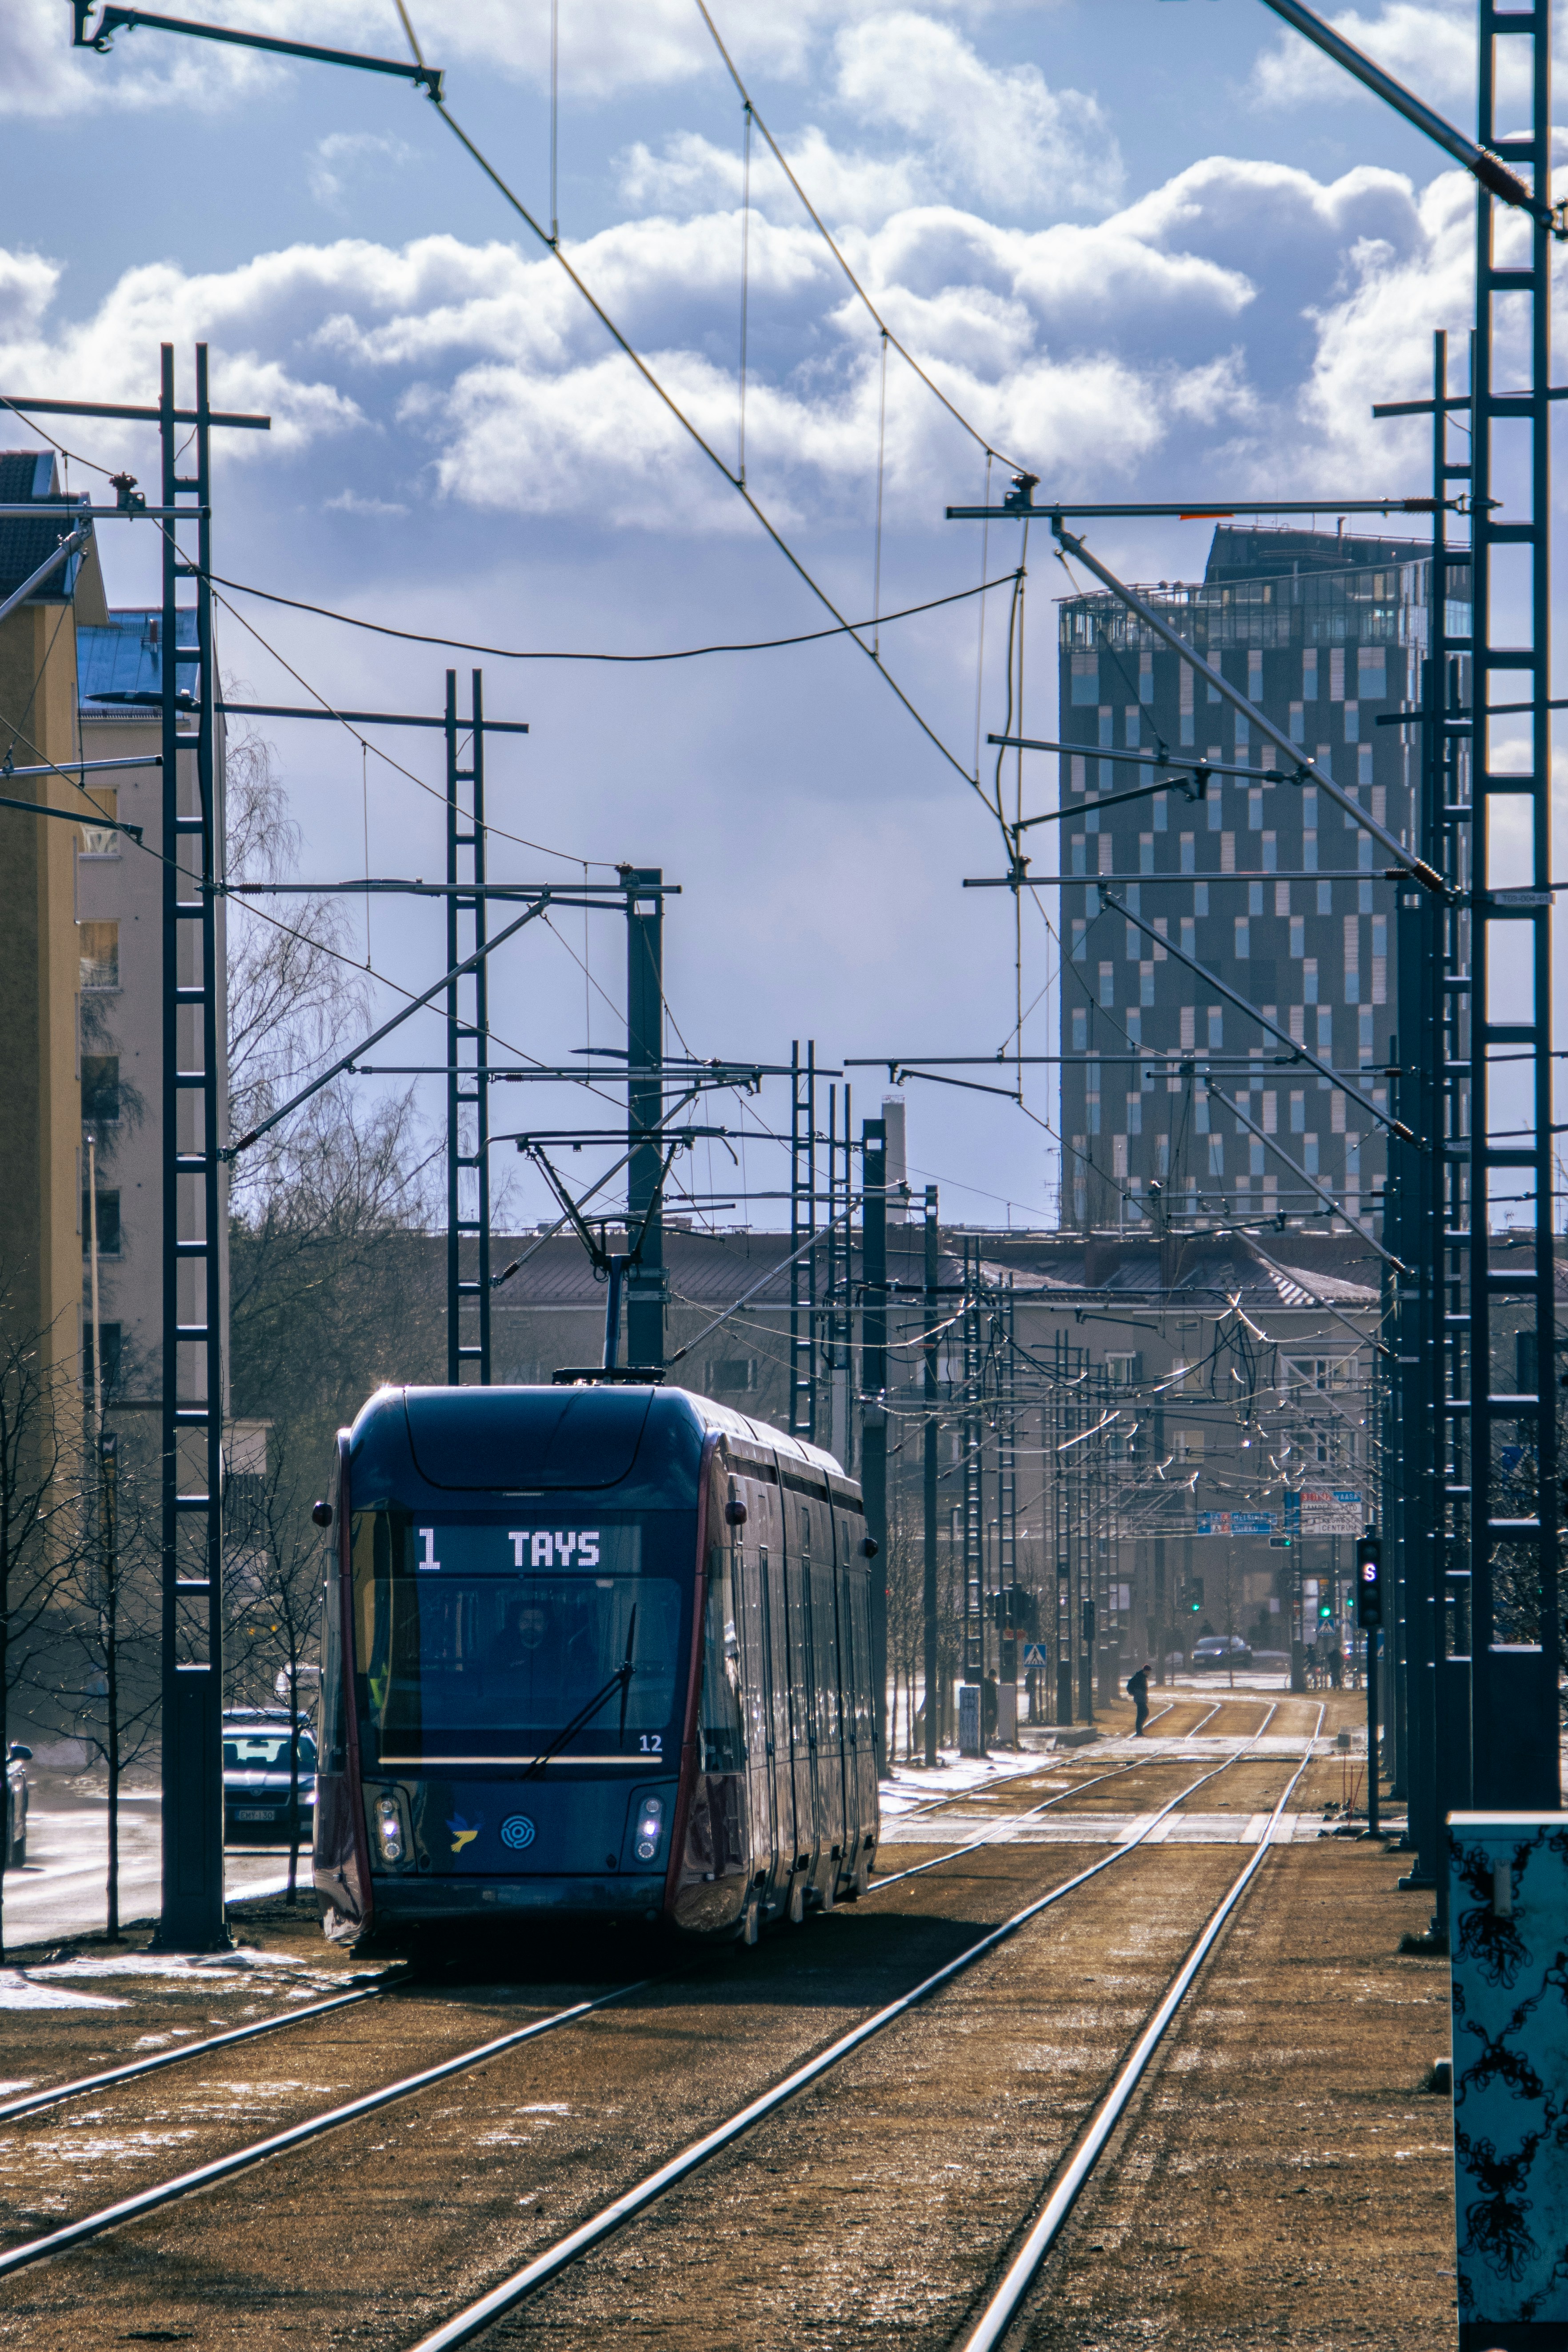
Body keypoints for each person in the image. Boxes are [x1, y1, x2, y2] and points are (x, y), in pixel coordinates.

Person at [1126, 1661, 1152, 1736]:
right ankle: (1139, 1731)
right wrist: (1135, 1693)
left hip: (1142, 1698)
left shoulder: (1142, 1677)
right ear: (1146, 1671)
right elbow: (1133, 1685)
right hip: (1139, 1698)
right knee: (1144, 1713)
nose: (1149, 1673)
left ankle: (1139, 1731)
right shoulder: (1139, 1677)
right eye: (1149, 1672)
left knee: (1142, 1713)